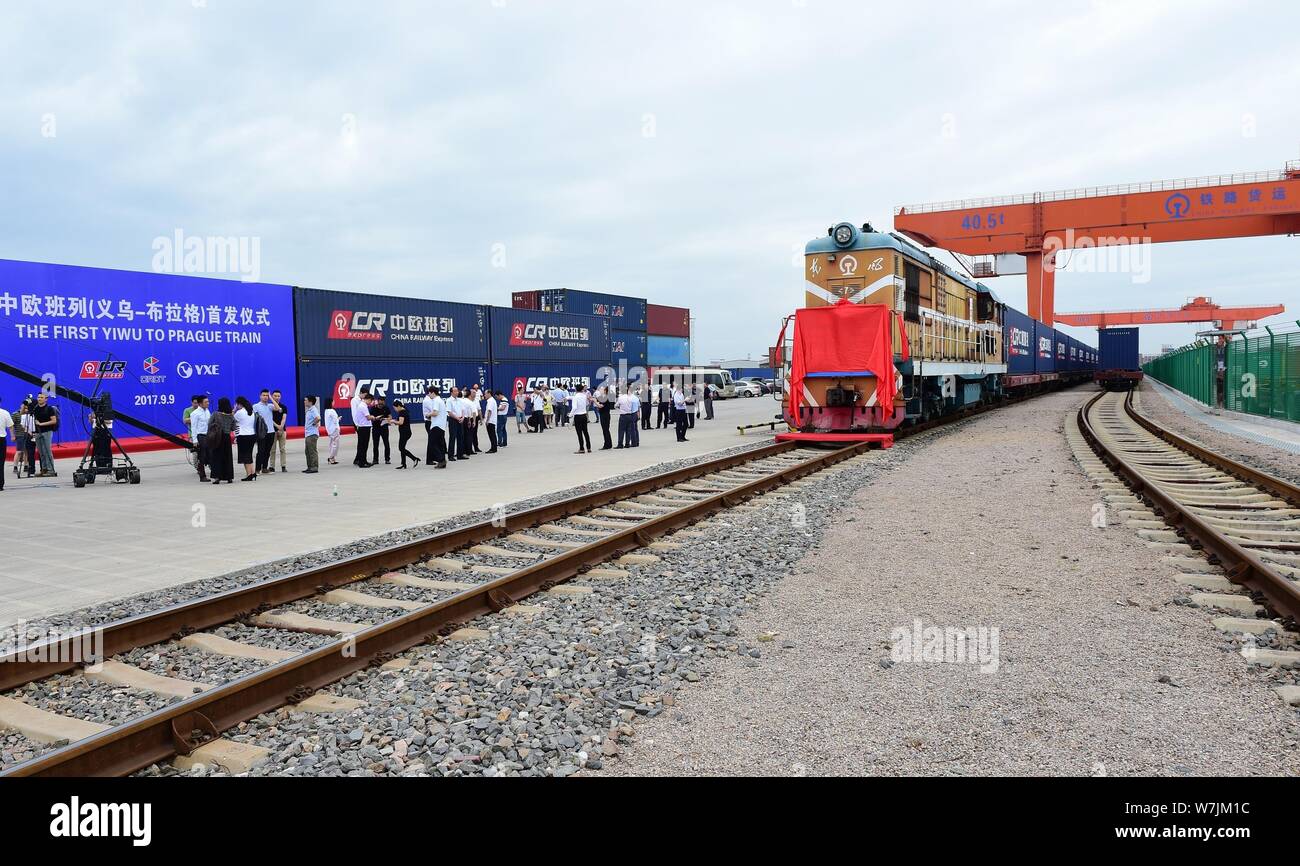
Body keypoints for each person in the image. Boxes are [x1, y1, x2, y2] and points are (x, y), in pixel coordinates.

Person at [209, 397, 236, 484]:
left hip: (218, 437)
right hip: (227, 438)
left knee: (216, 457)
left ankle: (217, 477)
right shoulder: (231, 416)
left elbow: (209, 424)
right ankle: (229, 477)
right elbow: (233, 427)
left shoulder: (215, 414)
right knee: (227, 457)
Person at [31, 392, 59, 477]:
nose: (39, 399)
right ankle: (44, 469)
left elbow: (54, 421)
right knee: (41, 452)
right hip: (37, 432)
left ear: (46, 399)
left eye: (41, 397)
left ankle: (50, 470)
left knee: (47, 451)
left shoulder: (50, 409)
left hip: (47, 431)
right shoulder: (35, 409)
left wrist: (41, 424)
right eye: (38, 397)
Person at [389, 399, 420, 468]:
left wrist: (393, 421)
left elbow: (401, 422)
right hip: (405, 432)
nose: (394, 410)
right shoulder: (404, 411)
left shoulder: (402, 412)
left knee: (401, 448)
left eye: (395, 408)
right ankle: (403, 464)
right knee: (402, 447)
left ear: (399, 406)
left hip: (405, 432)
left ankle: (414, 458)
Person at [234, 396, 258, 481]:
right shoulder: (251, 411)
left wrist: (234, 409)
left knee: (245, 456)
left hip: (243, 435)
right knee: (249, 455)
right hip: (252, 435)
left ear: (239, 404)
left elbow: (232, 420)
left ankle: (249, 475)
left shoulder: (239, 412)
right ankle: (253, 473)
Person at [252, 389, 275, 474]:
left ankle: (264, 468)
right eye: (263, 395)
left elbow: (278, 408)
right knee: (261, 451)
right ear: (260, 396)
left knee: (267, 451)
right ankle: (257, 469)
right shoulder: (256, 406)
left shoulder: (270, 406)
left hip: (271, 431)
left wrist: (271, 398)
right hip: (261, 431)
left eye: (267, 395)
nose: (265, 397)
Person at [190, 395, 212, 483]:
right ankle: (202, 475)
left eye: (208, 401)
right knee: (202, 456)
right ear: (200, 403)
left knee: (210, 455)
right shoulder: (194, 414)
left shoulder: (207, 411)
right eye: (206, 402)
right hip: (201, 436)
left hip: (208, 435)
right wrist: (195, 440)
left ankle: (214, 472)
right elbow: (193, 427)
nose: (208, 403)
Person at [425, 386, 448, 468]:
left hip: (436, 425)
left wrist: (428, 414)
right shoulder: (441, 400)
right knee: (440, 444)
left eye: (429, 393)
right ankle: (442, 462)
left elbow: (435, 413)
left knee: (432, 444)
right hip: (442, 425)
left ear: (433, 393)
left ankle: (441, 459)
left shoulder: (436, 400)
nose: (428, 395)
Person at [351, 387, 373, 467]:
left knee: (362, 443)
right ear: (361, 393)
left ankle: (360, 459)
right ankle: (360, 460)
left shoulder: (362, 402)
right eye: (365, 395)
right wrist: (357, 424)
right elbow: (354, 413)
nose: (365, 397)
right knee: (362, 443)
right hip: (359, 424)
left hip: (362, 423)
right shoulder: (355, 400)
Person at [370, 394, 392, 465]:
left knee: (386, 443)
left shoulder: (386, 408)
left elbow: (390, 416)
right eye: (380, 403)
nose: (381, 405)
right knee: (375, 444)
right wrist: (376, 418)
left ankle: (387, 459)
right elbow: (370, 417)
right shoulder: (373, 408)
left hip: (384, 428)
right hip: (376, 428)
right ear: (377, 402)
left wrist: (387, 419)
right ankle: (375, 459)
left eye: (382, 403)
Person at [302, 395, 321, 474]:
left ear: (310, 402)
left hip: (312, 434)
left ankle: (314, 467)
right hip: (308, 434)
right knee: (307, 451)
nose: (304, 401)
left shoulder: (313, 409)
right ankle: (309, 466)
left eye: (305, 400)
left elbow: (318, 418)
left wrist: (314, 424)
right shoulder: (309, 410)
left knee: (312, 451)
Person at [271, 389, 289, 472]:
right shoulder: (270, 407)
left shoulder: (284, 407)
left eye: (278, 396)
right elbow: (269, 419)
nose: (277, 397)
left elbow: (284, 418)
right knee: (272, 449)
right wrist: (277, 427)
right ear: (272, 396)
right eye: (275, 396)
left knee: (282, 449)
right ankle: (272, 467)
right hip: (272, 430)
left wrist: (281, 428)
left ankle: (283, 466)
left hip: (282, 430)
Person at [12, 399, 31, 479]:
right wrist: (13, 435)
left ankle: (26, 465)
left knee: (26, 450)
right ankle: (15, 466)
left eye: (27, 408)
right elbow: (11, 425)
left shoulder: (29, 415)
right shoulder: (15, 414)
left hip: (28, 435)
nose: (25, 409)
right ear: (21, 406)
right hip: (19, 435)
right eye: (24, 407)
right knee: (19, 451)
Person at [571, 385, 591, 454]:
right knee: (586, 432)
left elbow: (574, 407)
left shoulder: (575, 397)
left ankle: (581, 448)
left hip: (578, 416)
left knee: (579, 433)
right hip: (584, 415)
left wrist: (570, 415)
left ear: (576, 389)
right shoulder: (584, 396)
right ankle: (588, 447)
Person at [446, 387, 465, 461]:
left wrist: (463, 417)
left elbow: (463, 409)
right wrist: (457, 418)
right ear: (451, 392)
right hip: (453, 420)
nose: (457, 392)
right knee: (452, 437)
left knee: (460, 437)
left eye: (457, 390)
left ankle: (460, 454)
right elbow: (449, 412)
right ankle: (450, 455)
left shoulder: (460, 400)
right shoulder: (449, 400)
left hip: (460, 419)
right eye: (455, 391)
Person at [595, 384, 613, 450]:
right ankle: (609, 444)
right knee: (606, 430)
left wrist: (594, 401)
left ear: (605, 391)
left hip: (604, 415)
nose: (600, 391)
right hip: (605, 415)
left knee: (605, 430)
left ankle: (607, 445)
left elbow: (600, 406)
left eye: (601, 390)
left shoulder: (605, 397)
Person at [0, 397, 11, 492]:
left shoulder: (5, 413)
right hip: (1, 440)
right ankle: (0, 484)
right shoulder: (5, 412)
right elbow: (10, 426)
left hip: (1, 438)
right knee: (1, 462)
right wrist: (13, 436)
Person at [483, 388, 499, 453]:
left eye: (485, 394)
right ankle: (494, 448)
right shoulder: (492, 400)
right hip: (493, 420)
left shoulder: (490, 401)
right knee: (493, 435)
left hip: (490, 421)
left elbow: (489, 411)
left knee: (491, 435)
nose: (484, 395)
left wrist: (487, 420)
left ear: (489, 394)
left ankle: (493, 448)